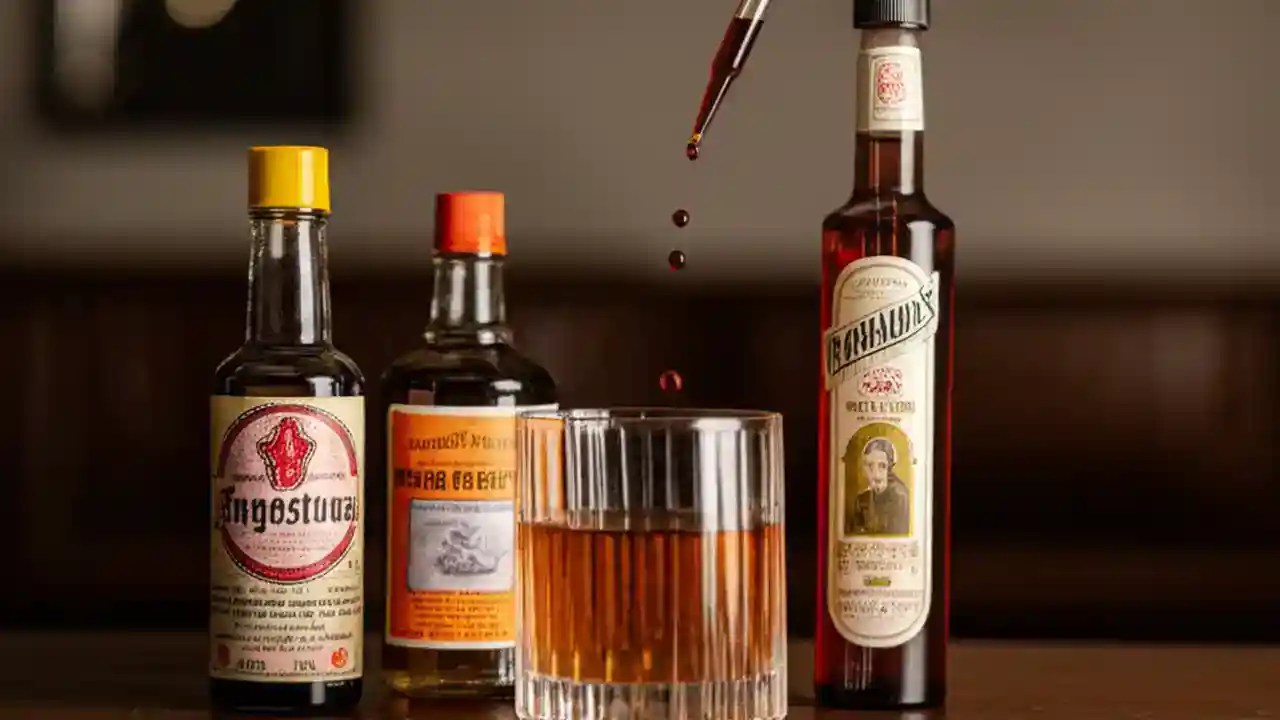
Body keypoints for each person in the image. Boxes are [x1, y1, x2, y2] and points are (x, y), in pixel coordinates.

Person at [844, 436, 909, 536]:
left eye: (882, 466)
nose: (876, 475)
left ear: (890, 467)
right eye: (870, 466)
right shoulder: (861, 501)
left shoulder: (900, 497)